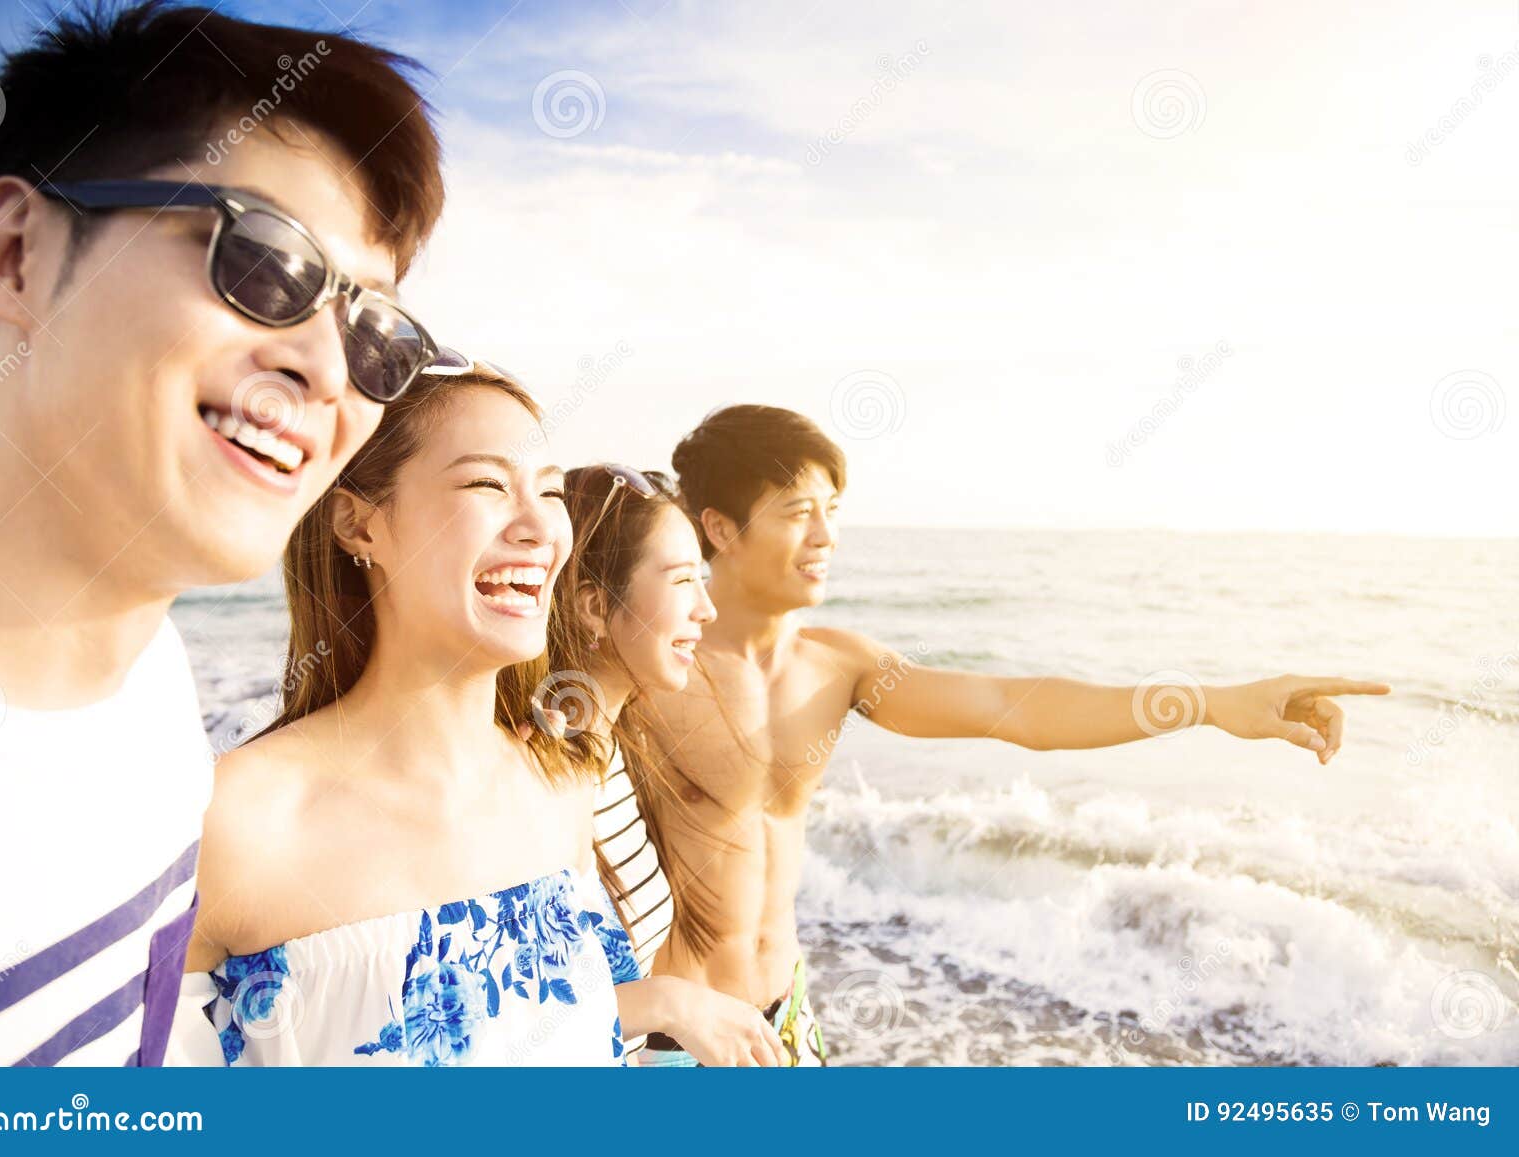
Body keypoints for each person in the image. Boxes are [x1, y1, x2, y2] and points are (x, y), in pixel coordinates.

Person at [0, 1, 443, 1066]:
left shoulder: (157, 682)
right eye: (265, 262)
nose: (329, 371)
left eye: (377, 333)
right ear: (15, 252)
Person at [631, 404, 1394, 1066]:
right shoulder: (649, 674)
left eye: (834, 508)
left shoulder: (838, 665)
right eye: (799, 511)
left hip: (787, 1021)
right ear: (719, 528)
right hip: (681, 1037)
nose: (827, 534)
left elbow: (1014, 706)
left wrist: (1214, 703)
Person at [174, 371, 781, 1067]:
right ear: (358, 522)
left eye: (550, 493)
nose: (538, 527)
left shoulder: (556, 790)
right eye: (487, 485)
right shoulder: (234, 823)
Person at [550, 463, 787, 1065]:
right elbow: (498, 1011)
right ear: (594, 606)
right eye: (682, 581)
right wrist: (669, 1004)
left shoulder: (612, 747)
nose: (706, 609)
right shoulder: (542, 769)